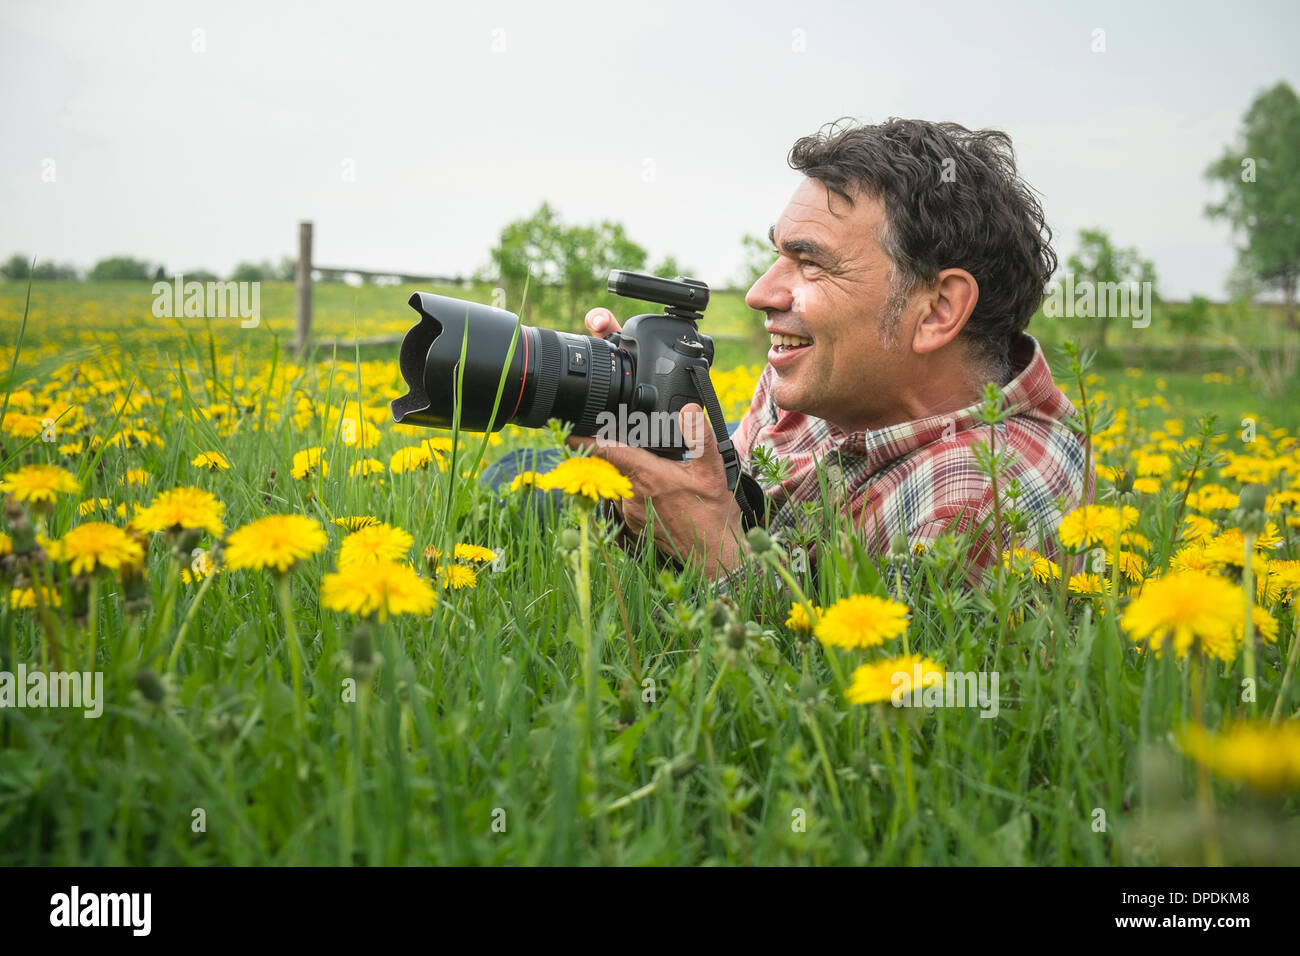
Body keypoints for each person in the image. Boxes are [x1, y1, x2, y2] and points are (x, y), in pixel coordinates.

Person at [565, 117, 1091, 587]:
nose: (759, 294)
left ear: (937, 310)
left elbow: (856, 685)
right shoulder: (820, 375)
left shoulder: (985, 500)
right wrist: (639, 445)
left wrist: (720, 563)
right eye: (779, 254)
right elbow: (726, 513)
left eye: (810, 263)